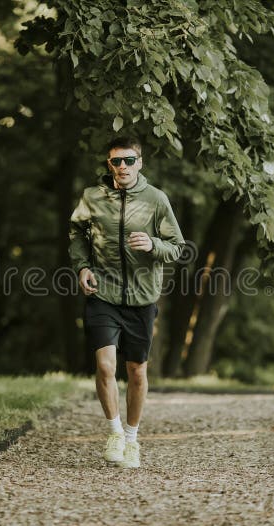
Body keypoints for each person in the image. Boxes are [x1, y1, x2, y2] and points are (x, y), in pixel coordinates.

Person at [68, 136, 185, 468]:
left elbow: (177, 247)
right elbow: (76, 232)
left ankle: (132, 439)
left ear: (140, 163)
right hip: (102, 293)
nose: (122, 167)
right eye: (116, 161)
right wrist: (82, 266)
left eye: (129, 160)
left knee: (136, 370)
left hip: (141, 296)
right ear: (109, 164)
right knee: (105, 366)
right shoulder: (92, 197)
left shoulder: (156, 200)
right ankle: (115, 433)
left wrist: (152, 245)